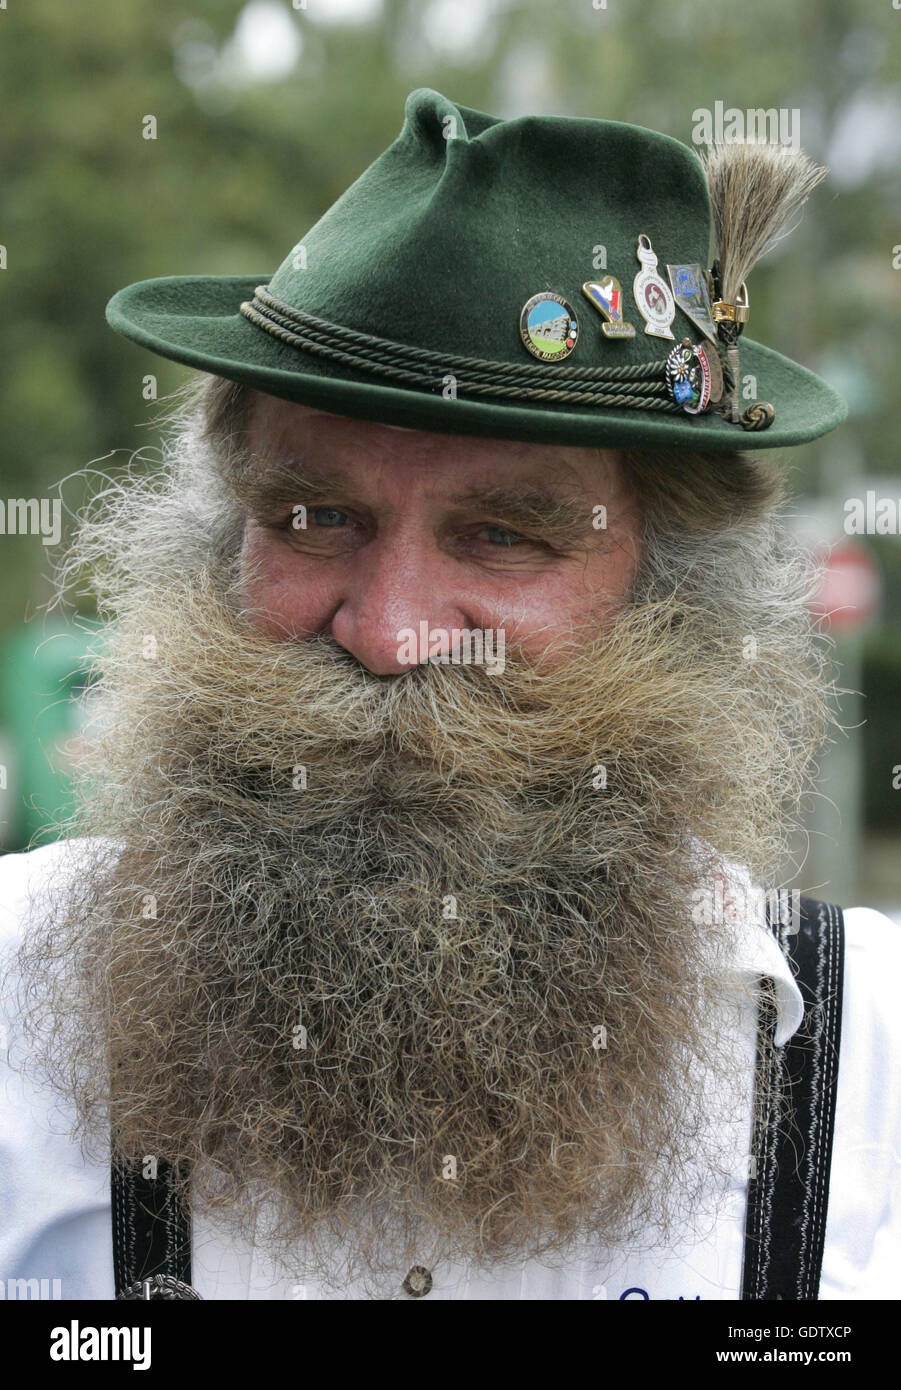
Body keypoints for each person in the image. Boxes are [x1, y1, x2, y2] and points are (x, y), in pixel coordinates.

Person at [1, 88, 898, 1302]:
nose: (388, 635)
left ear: (675, 598)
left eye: (503, 536)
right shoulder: (13, 1008)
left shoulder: (870, 1079)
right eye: (316, 517)